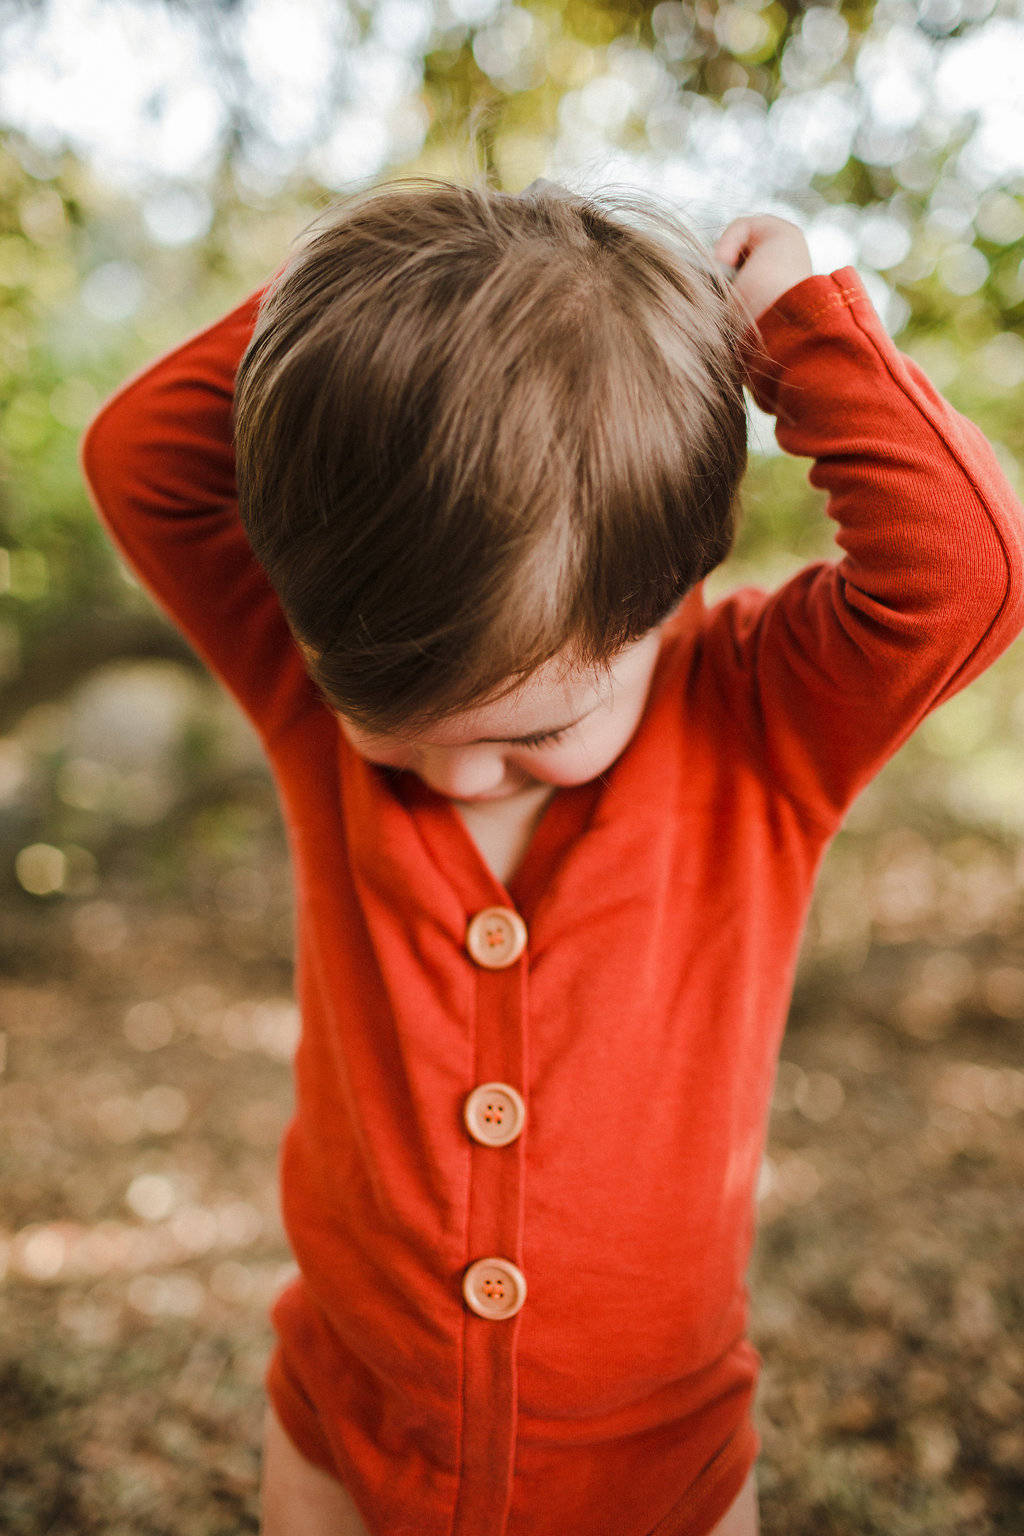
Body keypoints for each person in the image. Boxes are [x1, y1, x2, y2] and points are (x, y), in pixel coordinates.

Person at [79, 177, 1024, 1536]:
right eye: (394, 723)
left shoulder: (760, 724)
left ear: (671, 590)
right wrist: (385, 302)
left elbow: (967, 575)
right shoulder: (308, 676)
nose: (458, 773)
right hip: (350, 1439)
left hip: (663, 1474)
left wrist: (797, 331)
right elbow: (140, 457)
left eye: (534, 728)